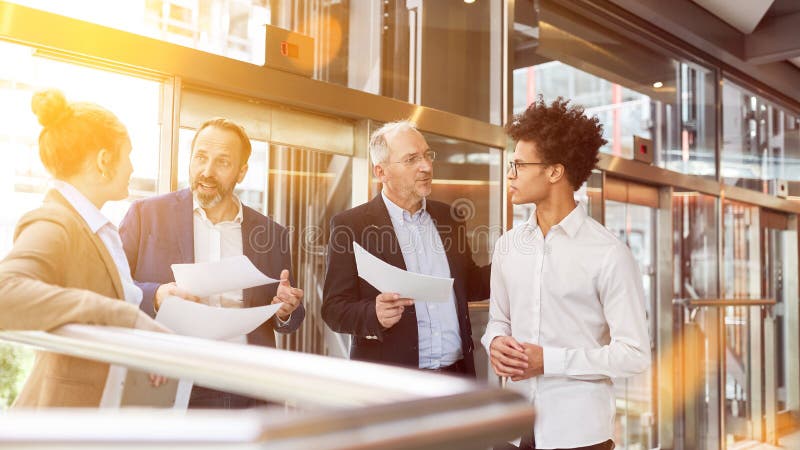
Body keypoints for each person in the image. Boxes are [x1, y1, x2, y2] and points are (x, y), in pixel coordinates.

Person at [482, 96, 651, 450]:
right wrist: (495, 343)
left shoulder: (608, 254)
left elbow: (634, 354)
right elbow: (498, 322)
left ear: (554, 172)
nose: (509, 175)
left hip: (579, 434)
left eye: (519, 166)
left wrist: (549, 361)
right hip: (512, 430)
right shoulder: (508, 245)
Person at [0, 88, 169, 408]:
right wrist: (125, 318)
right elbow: (4, 293)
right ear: (105, 161)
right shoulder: (56, 223)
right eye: (128, 154)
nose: (132, 167)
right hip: (60, 427)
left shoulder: (94, 227)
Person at [119, 117, 305, 408]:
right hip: (168, 378)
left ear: (242, 172)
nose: (207, 171)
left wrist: (285, 309)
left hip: (247, 387)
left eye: (222, 162)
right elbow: (112, 286)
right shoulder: (145, 215)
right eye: (201, 158)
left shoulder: (271, 234)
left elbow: (289, 316)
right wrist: (156, 295)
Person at [322, 120, 490, 377]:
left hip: (456, 377)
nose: (426, 166)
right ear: (381, 172)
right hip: (393, 382)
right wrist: (372, 313)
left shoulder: (450, 218)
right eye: (411, 159)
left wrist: (512, 258)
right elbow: (334, 310)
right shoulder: (351, 225)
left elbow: (469, 284)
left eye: (426, 155)